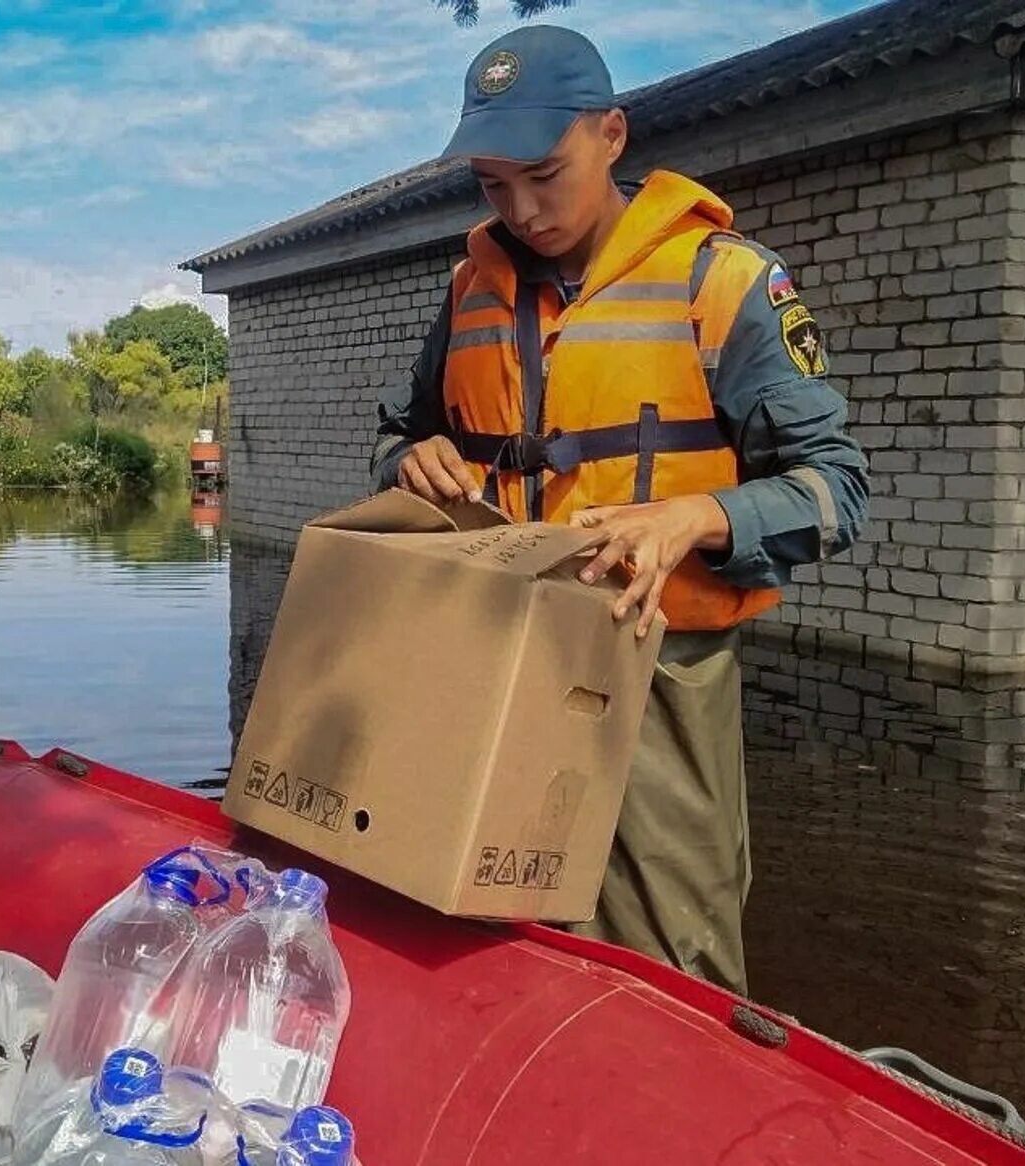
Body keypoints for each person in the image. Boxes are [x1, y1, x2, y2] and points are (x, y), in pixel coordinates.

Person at [370, 25, 870, 996]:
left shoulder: (722, 281)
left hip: (654, 676)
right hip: (490, 664)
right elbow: (401, 432)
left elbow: (834, 486)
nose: (521, 209)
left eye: (543, 174)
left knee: (670, 970)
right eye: (491, 184)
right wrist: (408, 458)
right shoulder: (469, 287)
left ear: (609, 134)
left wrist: (693, 517)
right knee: (479, 940)